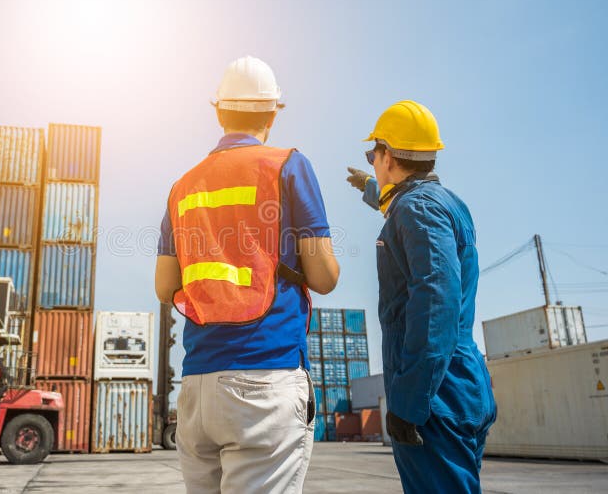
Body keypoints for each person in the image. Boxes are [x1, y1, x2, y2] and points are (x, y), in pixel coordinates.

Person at [155, 56, 339, 493]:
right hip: (265, 378)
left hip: (198, 387)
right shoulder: (288, 166)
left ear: (219, 113)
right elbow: (325, 277)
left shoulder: (183, 186)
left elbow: (165, 287)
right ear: (273, 113)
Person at [346, 100, 497, 493]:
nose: (373, 161)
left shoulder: (417, 210)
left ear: (389, 156)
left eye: (373, 154)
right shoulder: (441, 202)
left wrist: (409, 405)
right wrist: (369, 187)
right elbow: (401, 201)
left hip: (435, 396)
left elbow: (434, 304)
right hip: (456, 379)